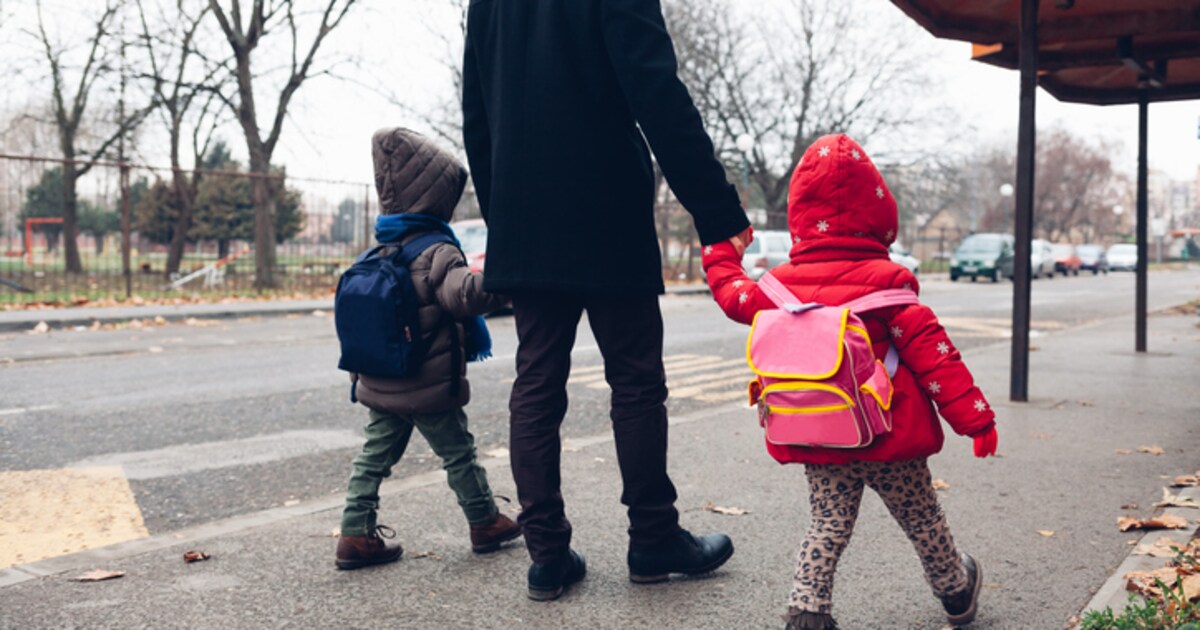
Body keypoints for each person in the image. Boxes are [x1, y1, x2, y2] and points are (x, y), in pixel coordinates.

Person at [462, 0, 752, 601]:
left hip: (526, 215)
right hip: (607, 211)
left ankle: (546, 555)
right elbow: (657, 93)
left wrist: (506, 218)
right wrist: (716, 209)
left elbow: (478, 115)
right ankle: (653, 538)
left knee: (537, 383)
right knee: (637, 381)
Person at [702, 134, 999, 629]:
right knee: (922, 518)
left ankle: (807, 611)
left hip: (819, 428)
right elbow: (935, 359)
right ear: (881, 215)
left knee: (827, 523)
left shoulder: (779, 287)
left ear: (798, 215)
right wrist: (976, 419)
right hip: (890, 434)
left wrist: (720, 250)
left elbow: (733, 296)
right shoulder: (890, 286)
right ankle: (955, 591)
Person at [335, 128, 520, 570]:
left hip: (382, 382)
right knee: (459, 453)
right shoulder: (437, 249)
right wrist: (506, 278)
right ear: (436, 199)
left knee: (373, 458)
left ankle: (354, 533)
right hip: (427, 383)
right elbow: (465, 297)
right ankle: (484, 521)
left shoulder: (379, 248)